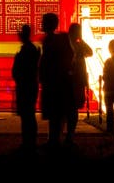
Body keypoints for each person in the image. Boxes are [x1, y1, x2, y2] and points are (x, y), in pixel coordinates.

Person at [38, 12, 74, 149]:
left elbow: (46, 61)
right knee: (58, 112)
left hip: (53, 81)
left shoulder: (49, 40)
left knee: (54, 113)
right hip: (61, 80)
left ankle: (54, 140)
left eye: (43, 22)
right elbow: (70, 55)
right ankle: (56, 138)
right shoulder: (63, 38)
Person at [12, 23, 41, 151]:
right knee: (30, 114)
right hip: (31, 84)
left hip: (25, 85)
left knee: (26, 115)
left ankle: (27, 142)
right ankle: (31, 141)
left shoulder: (25, 50)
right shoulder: (33, 49)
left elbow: (19, 70)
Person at [67, 21, 93, 144]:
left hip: (77, 81)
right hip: (69, 80)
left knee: (73, 109)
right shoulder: (67, 45)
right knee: (69, 109)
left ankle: (70, 135)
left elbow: (90, 52)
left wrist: (81, 41)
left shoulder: (79, 45)